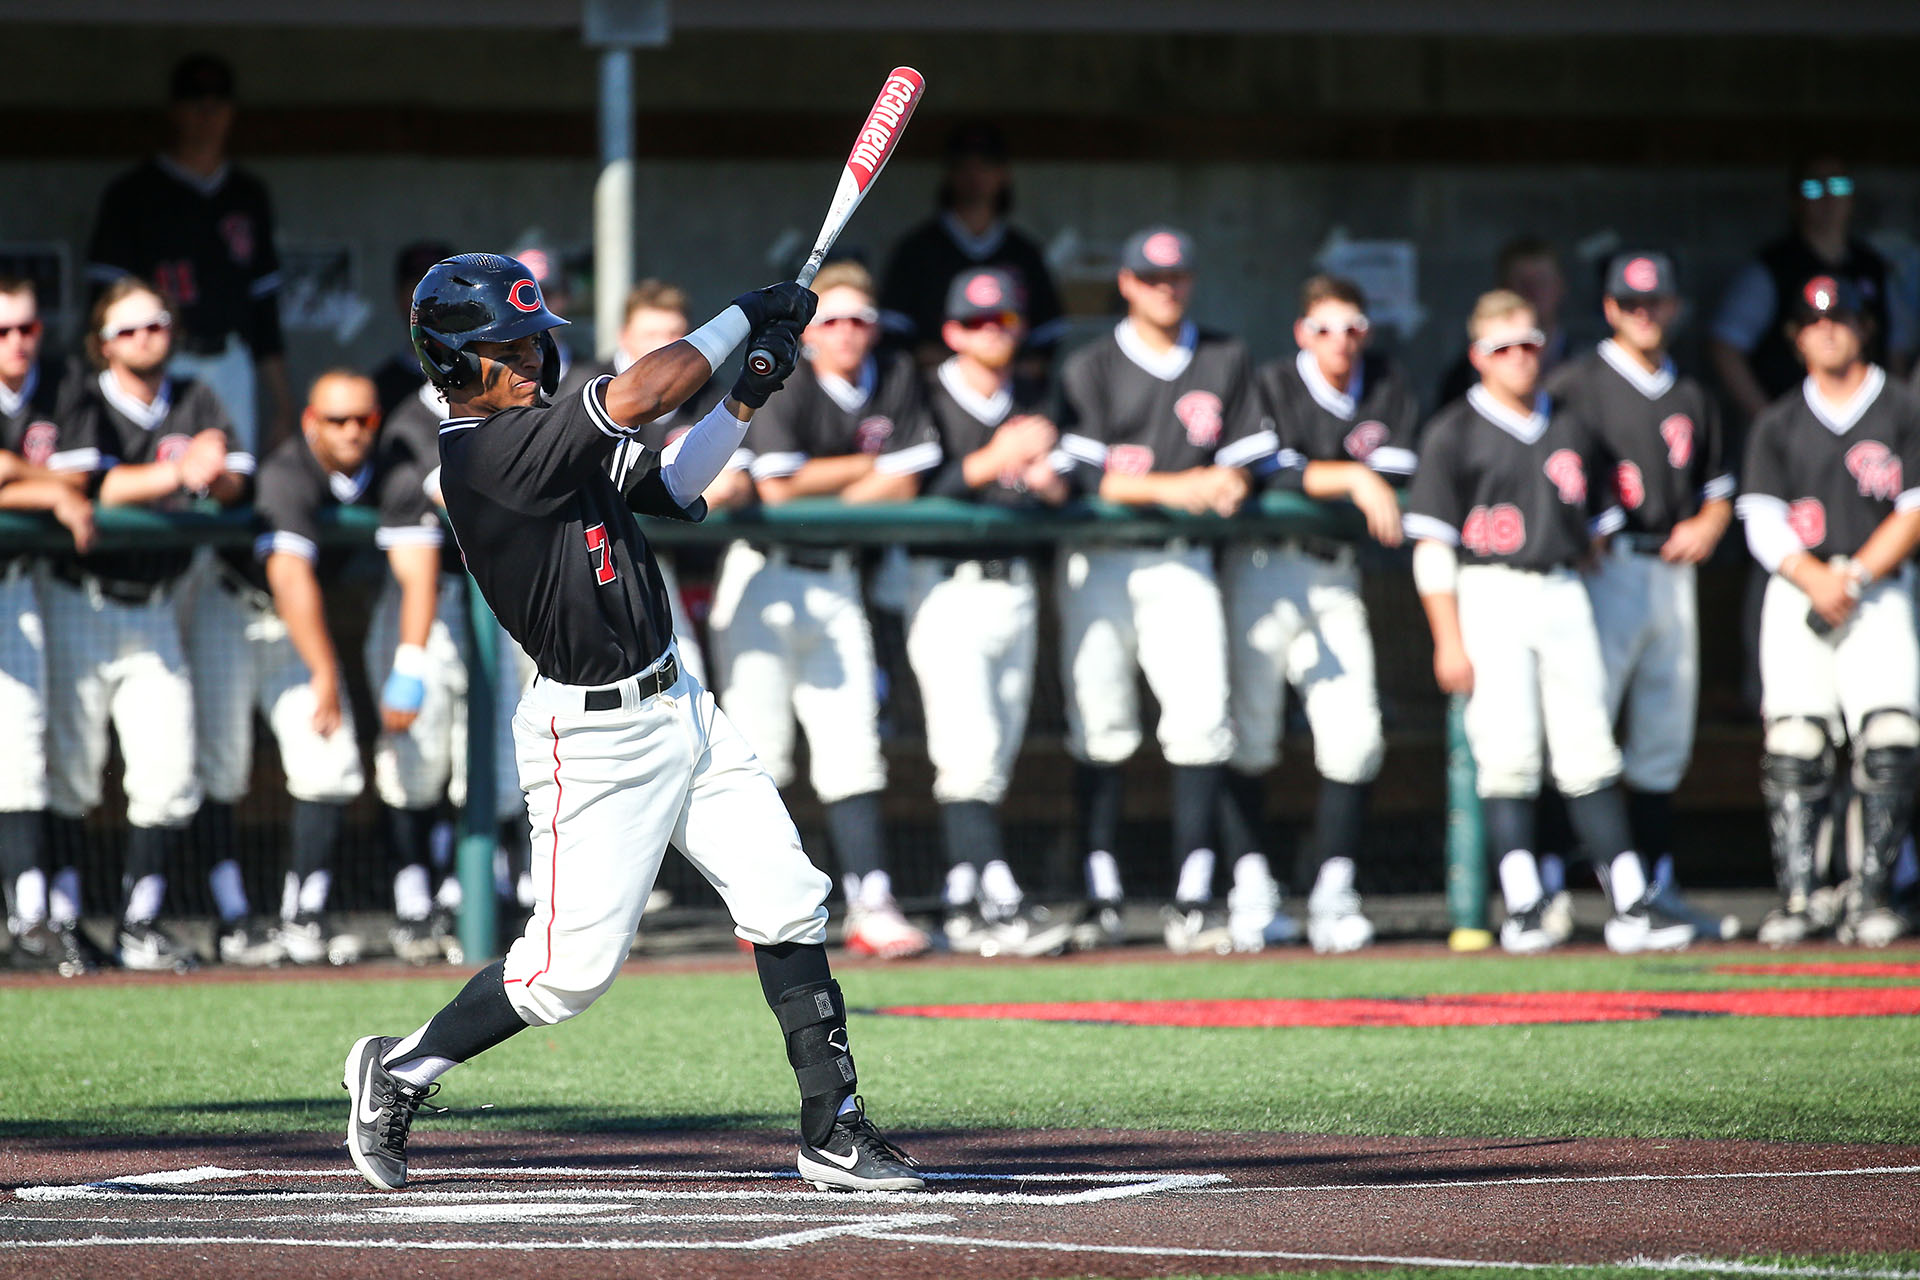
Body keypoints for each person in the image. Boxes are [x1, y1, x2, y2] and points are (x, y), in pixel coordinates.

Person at [344, 252, 924, 1196]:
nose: (533, 357)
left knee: (786, 894)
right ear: (455, 360)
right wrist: (743, 308)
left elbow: (670, 486)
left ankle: (835, 1126)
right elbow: (651, 387)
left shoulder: (539, 428)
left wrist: (743, 401)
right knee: (564, 975)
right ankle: (400, 1070)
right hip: (594, 739)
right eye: (508, 346)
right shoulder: (485, 456)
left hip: (679, 700)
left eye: (533, 339)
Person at [1404, 289, 1694, 956]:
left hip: (1562, 587)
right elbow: (1432, 548)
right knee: (1507, 756)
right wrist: (1448, 639)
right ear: (1478, 356)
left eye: (1530, 345)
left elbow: (1598, 524)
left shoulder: (1568, 424)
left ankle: (1631, 900)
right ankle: (1526, 904)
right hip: (1489, 591)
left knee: (1589, 745)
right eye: (1504, 348)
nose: (1520, 359)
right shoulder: (1454, 430)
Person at [1053, 226, 1280, 953]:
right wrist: (1183, 485)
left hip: (1183, 561)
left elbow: (1251, 458)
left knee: (1201, 724)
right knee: (1101, 726)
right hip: (1101, 557)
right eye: (1152, 277)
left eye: (1177, 275)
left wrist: (1231, 479)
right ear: (1126, 283)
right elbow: (1087, 479)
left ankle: (1193, 895)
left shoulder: (1224, 355)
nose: (1166, 287)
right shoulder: (1091, 364)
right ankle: (1102, 891)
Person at [706, 261, 937, 959]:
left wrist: (828, 484)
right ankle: (759, 907)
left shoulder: (893, 376)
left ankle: (872, 899)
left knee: (852, 750)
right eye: (831, 321)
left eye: (859, 321)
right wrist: (871, 471)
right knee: (760, 754)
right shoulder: (786, 374)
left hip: (837, 578)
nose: (846, 335)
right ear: (810, 331)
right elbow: (780, 493)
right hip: (764, 576)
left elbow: (912, 480)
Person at [191, 371, 444, 967]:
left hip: (302, 630)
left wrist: (408, 665)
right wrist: (325, 672)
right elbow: (290, 578)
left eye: (362, 419)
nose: (352, 431)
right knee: (219, 768)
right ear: (311, 422)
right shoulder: (286, 469)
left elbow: (416, 569)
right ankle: (228, 917)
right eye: (337, 420)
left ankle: (301, 914)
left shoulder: (394, 467)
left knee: (330, 766)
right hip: (230, 609)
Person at [44, 276, 248, 971]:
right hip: (81, 597)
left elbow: (234, 483)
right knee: (71, 771)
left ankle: (139, 920)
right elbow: (86, 486)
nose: (146, 338)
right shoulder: (79, 391)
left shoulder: (196, 395)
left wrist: (212, 469)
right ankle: (64, 920)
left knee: (167, 773)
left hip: (158, 605)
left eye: (156, 325)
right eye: (128, 330)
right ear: (104, 344)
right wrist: (177, 473)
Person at [1221, 274, 1420, 954]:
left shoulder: (1385, 380)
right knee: (1248, 737)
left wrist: (1355, 477)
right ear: (1304, 332)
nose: (1342, 342)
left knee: (1356, 735)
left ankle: (1335, 889)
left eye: (1354, 328)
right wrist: (1352, 477)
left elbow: (1395, 472)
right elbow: (1266, 471)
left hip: (1335, 575)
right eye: (1327, 329)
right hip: (1261, 569)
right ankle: (1251, 885)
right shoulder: (1272, 381)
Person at [1545, 253, 1735, 927]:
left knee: (1662, 737)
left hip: (1672, 567)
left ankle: (1655, 882)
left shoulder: (1690, 392)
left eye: (1655, 303)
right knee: (1581, 729)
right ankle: (1551, 884)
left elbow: (1718, 489)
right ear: (1609, 308)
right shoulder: (1576, 383)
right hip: (1606, 569)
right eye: (1631, 304)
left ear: (1675, 308)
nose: (1644, 314)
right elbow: (1545, 474)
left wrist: (1712, 523)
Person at [1736, 276, 1920, 947]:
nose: (1827, 330)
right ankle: (1798, 897)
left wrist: (1856, 573)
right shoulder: (1779, 419)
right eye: (1813, 322)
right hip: (1801, 587)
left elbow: (1915, 508)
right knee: (1795, 739)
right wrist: (1815, 577)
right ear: (1795, 334)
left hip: (1878, 586)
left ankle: (1872, 894)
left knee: (1891, 735)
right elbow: (1759, 518)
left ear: (1863, 326)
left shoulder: (1902, 407)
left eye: (1840, 318)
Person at [903, 267, 1075, 957]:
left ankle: (963, 898)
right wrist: (992, 460)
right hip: (942, 582)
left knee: (994, 753)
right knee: (967, 750)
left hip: (1015, 586)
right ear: (951, 333)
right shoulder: (923, 394)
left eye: (1002, 320)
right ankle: (994, 899)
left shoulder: (1035, 394)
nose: (991, 332)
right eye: (976, 322)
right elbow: (909, 487)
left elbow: (1068, 486)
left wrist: (1049, 482)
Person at [86, 53, 291, 453]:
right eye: (196, 104)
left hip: (232, 357)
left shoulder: (247, 194)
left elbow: (266, 310)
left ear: (231, 112)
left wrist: (283, 403)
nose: (207, 115)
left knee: (232, 477)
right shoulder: (134, 193)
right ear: (175, 112)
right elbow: (101, 303)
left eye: (217, 105)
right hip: (161, 361)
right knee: (159, 475)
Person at [558, 279, 733, 687]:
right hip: (582, 568)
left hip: (662, 568)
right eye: (651, 334)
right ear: (623, 336)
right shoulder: (585, 384)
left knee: (683, 686)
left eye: (675, 335)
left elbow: (735, 482)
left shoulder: (705, 390)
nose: (664, 344)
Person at [0, 277, 98, 974]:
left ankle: (30, 915)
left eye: (27, 328)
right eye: (1, 332)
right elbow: (63, 488)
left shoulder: (62, 380)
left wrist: (24, 483)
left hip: (15, 587)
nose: (16, 343)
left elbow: (85, 482)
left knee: (26, 752)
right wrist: (41, 486)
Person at [1712, 158, 1910, 425]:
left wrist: (1897, 421)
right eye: (1813, 188)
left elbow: (1895, 351)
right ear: (1795, 201)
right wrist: (1769, 422)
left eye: (1838, 186)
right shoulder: (1773, 269)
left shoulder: (1873, 268)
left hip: (1868, 428)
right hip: (1799, 430)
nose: (1828, 196)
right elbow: (1726, 346)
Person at [879, 123, 1065, 373]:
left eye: (986, 164)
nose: (975, 174)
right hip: (930, 397)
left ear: (1003, 173)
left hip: (1012, 397)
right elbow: (894, 334)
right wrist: (963, 368)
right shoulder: (915, 250)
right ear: (949, 173)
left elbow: (1048, 336)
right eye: (964, 165)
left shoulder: (1025, 252)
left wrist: (1007, 371)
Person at [1436, 237, 1571, 409]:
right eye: (1502, 349)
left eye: (1542, 282)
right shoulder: (1464, 379)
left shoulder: (1587, 370)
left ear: (1560, 286)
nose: (1533, 293)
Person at [372, 241, 455, 415]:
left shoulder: (482, 377)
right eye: (418, 287)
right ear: (400, 295)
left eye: (440, 287)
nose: (431, 299)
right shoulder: (379, 389)